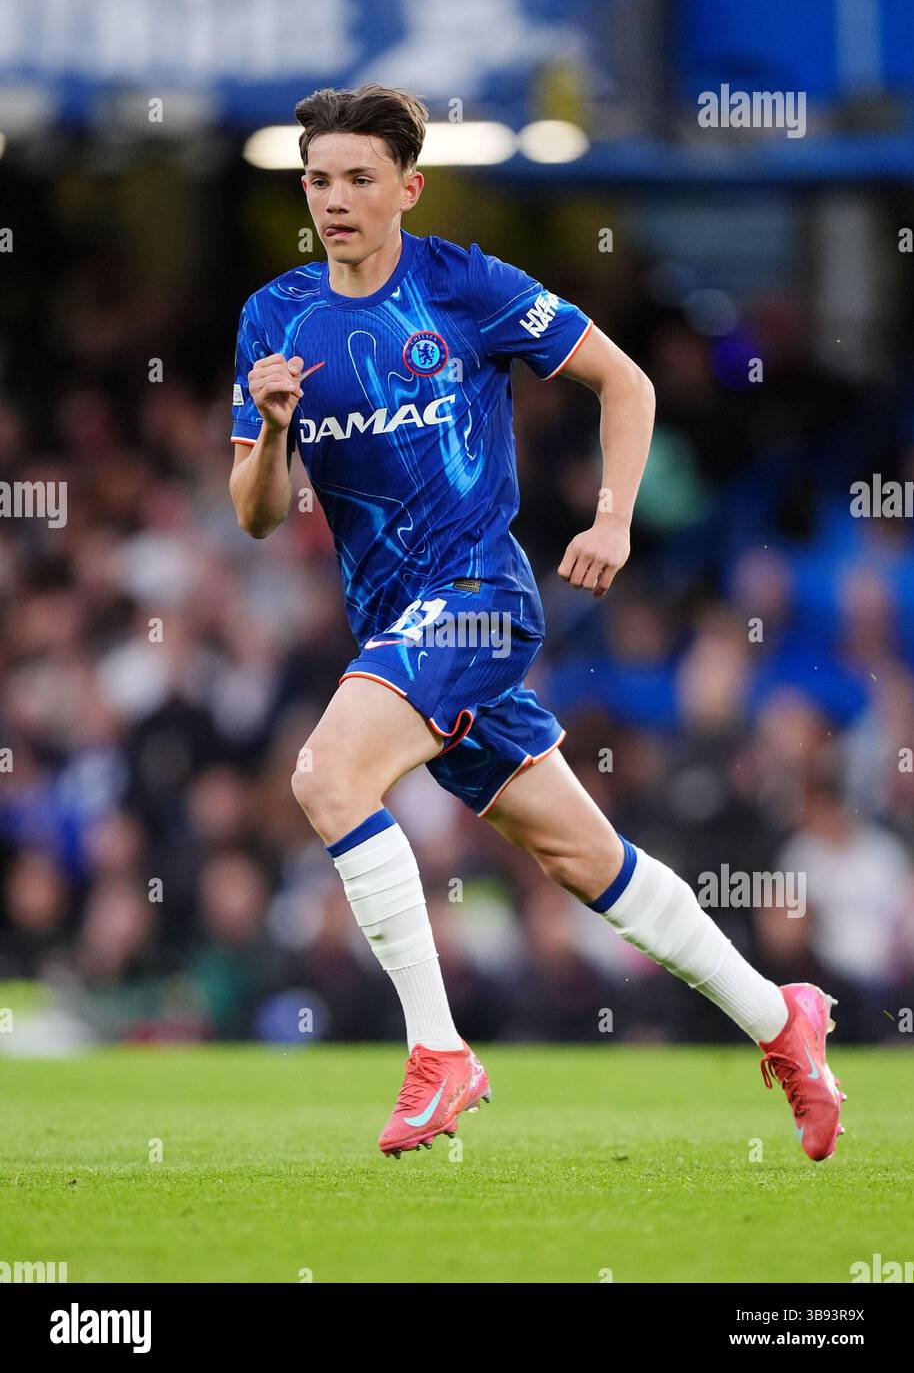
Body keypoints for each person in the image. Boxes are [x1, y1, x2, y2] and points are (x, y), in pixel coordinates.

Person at [229, 84, 846, 1161]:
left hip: (479, 599)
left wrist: (611, 518)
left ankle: (439, 1052)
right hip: (392, 622)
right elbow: (256, 513)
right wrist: (276, 428)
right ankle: (777, 1017)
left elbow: (627, 382)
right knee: (581, 855)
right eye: (318, 179)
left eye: (358, 179)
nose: (334, 199)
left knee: (327, 775)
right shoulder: (274, 318)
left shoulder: (464, 285)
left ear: (406, 190)